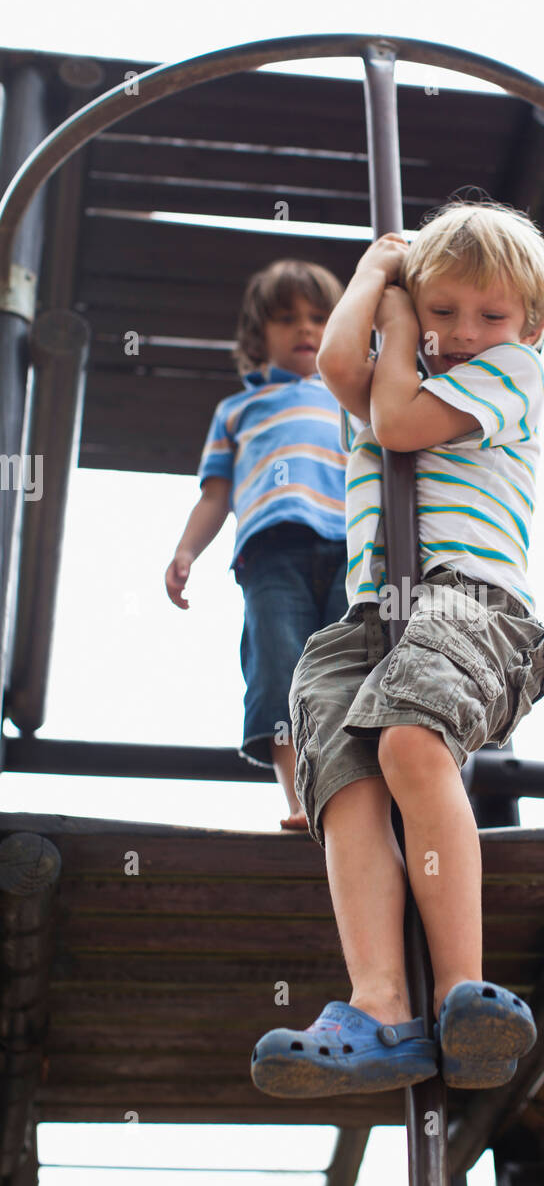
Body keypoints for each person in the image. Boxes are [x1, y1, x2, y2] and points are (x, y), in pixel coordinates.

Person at [250, 202, 544, 1096]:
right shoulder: (393, 371)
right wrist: (375, 279)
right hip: (368, 619)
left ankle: (464, 990)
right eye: (445, 310)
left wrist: (402, 318)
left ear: (529, 327)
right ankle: (380, 1004)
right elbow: (342, 365)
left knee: (411, 743)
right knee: (343, 784)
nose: (465, 332)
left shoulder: (513, 373)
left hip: (474, 604)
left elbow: (393, 423)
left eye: (490, 314)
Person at [165, 259, 348, 828]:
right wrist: (186, 550)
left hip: (354, 547)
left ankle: (353, 791)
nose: (306, 330)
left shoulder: (351, 393)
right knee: (279, 667)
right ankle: (298, 799)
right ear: (258, 333)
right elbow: (215, 496)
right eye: (288, 318)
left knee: (353, 665)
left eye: (321, 318)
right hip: (271, 554)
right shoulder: (237, 410)